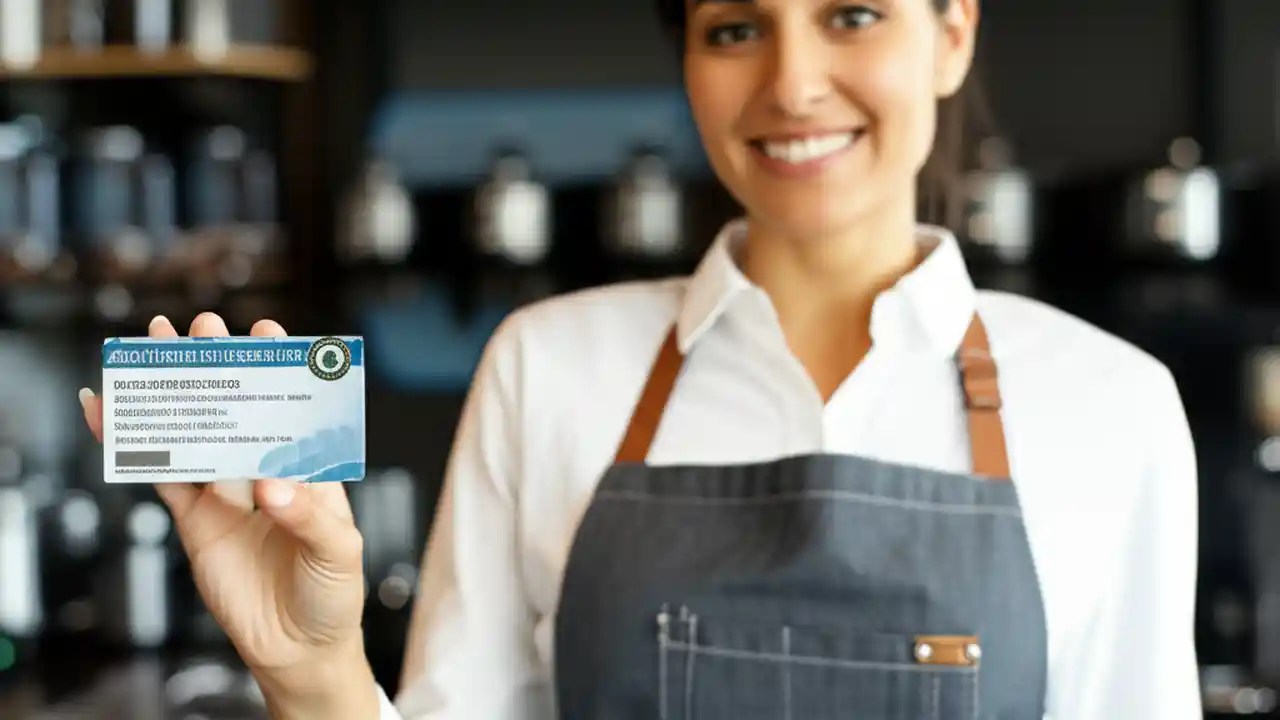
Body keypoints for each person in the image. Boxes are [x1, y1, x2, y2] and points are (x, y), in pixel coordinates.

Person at [80, 0, 1203, 717]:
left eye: (851, 14)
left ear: (951, 32)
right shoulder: (547, 364)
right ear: (686, 63)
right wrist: (307, 668)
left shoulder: (1111, 403)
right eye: (733, 28)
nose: (792, 83)